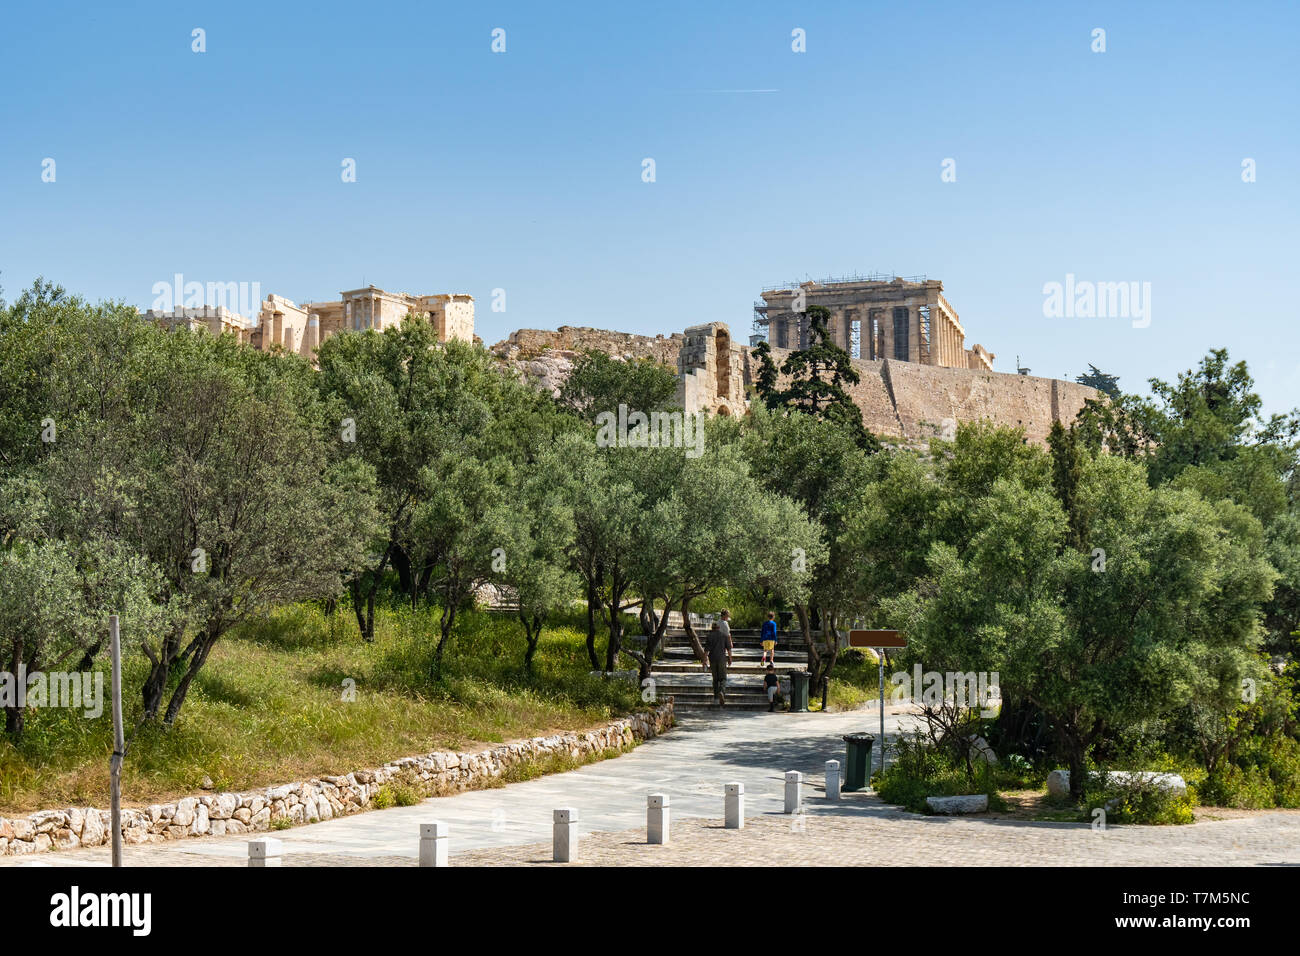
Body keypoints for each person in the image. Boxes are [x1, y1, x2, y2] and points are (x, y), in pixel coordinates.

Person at [705, 609, 733, 706]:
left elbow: (706, 650)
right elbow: (728, 648)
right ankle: (722, 691)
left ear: (713, 628)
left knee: (715, 679)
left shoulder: (709, 636)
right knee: (723, 678)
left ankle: (716, 696)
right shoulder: (723, 636)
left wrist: (705, 661)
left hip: (712, 659)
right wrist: (730, 658)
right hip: (721, 658)